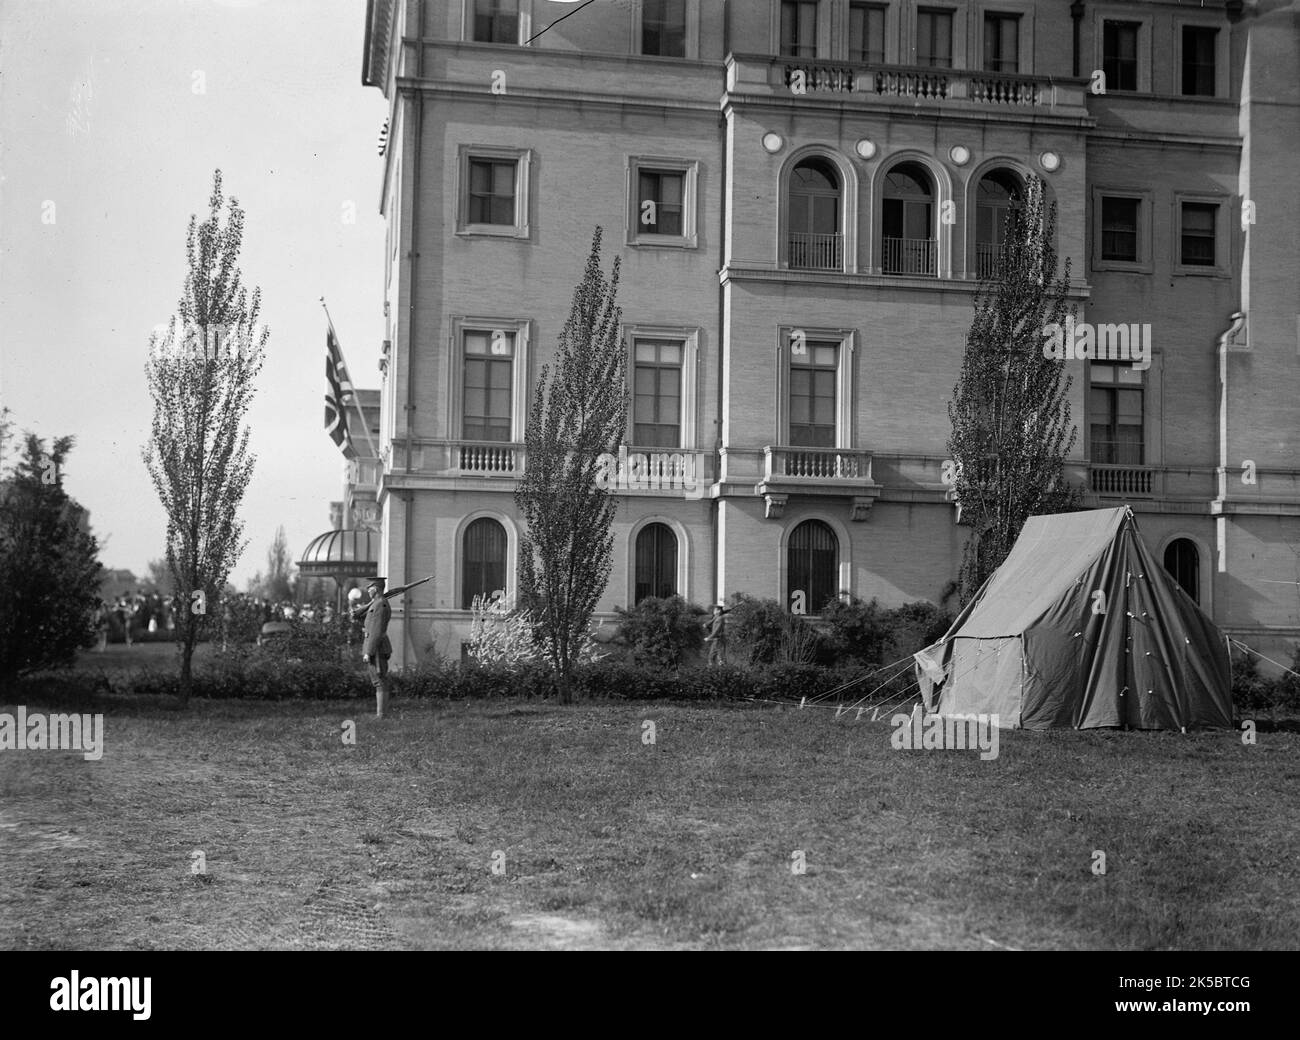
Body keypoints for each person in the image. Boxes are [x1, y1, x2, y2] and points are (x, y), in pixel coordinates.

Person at [357, 577, 392, 718]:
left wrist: (369, 652)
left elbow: (376, 631)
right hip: (374, 646)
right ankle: (381, 713)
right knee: (378, 680)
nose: (368, 591)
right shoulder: (375, 604)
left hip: (376, 648)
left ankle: (381, 714)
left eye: (369, 588)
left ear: (376, 589)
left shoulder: (380, 605)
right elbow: (368, 622)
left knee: (379, 680)